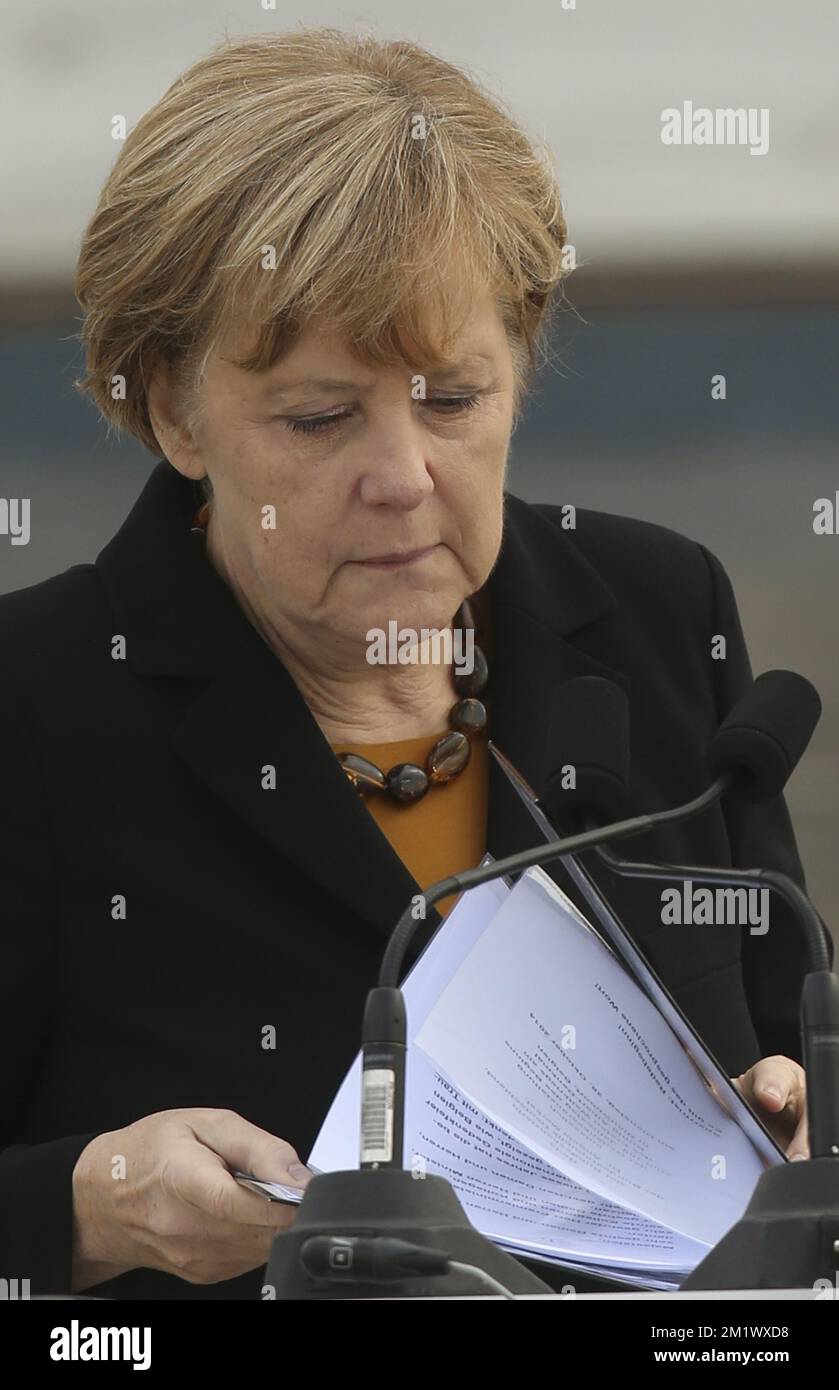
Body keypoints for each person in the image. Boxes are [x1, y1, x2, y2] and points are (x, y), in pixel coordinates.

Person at [0, 28, 822, 1302]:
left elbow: (786, 1029)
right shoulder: (35, 703)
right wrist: (90, 1207)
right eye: (320, 418)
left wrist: (795, 1122)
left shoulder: (660, 612)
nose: (401, 478)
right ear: (173, 409)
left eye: (453, 399)